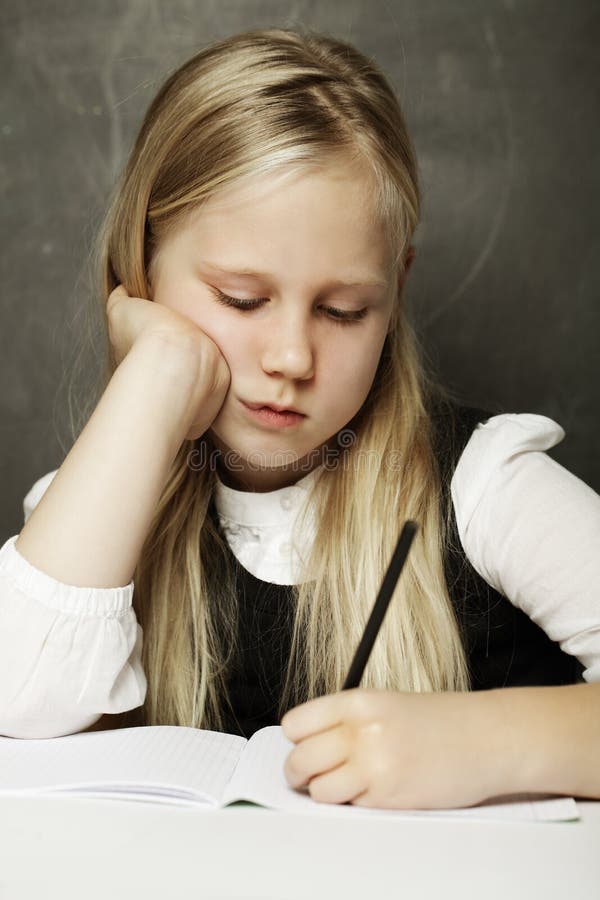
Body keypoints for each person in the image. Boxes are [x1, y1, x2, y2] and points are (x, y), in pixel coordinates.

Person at [1, 26, 598, 811]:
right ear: (141, 266)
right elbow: (19, 708)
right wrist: (159, 374)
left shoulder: (486, 484)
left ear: (395, 287)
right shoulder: (100, 504)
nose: (291, 356)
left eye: (345, 311)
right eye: (241, 300)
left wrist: (489, 741)